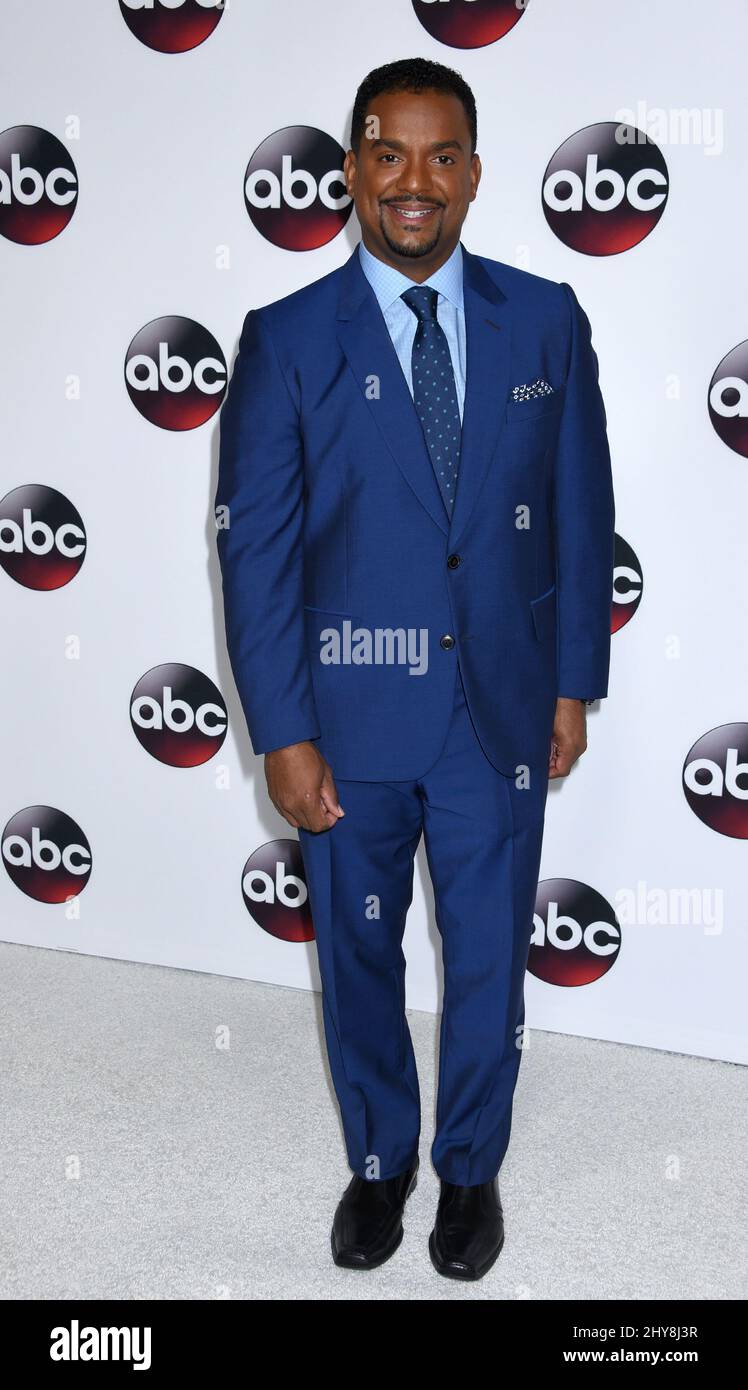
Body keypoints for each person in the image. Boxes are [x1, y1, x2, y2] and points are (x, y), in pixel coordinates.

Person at [215, 57, 615, 1281]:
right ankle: (382, 1161)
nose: (414, 182)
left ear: (477, 174)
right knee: (359, 955)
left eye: (443, 157)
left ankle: (471, 1171)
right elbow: (259, 554)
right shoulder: (284, 341)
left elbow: (581, 513)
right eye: (388, 154)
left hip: (497, 713)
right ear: (350, 171)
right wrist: (280, 730)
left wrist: (570, 682)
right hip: (346, 721)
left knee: (490, 957)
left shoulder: (543, 317)